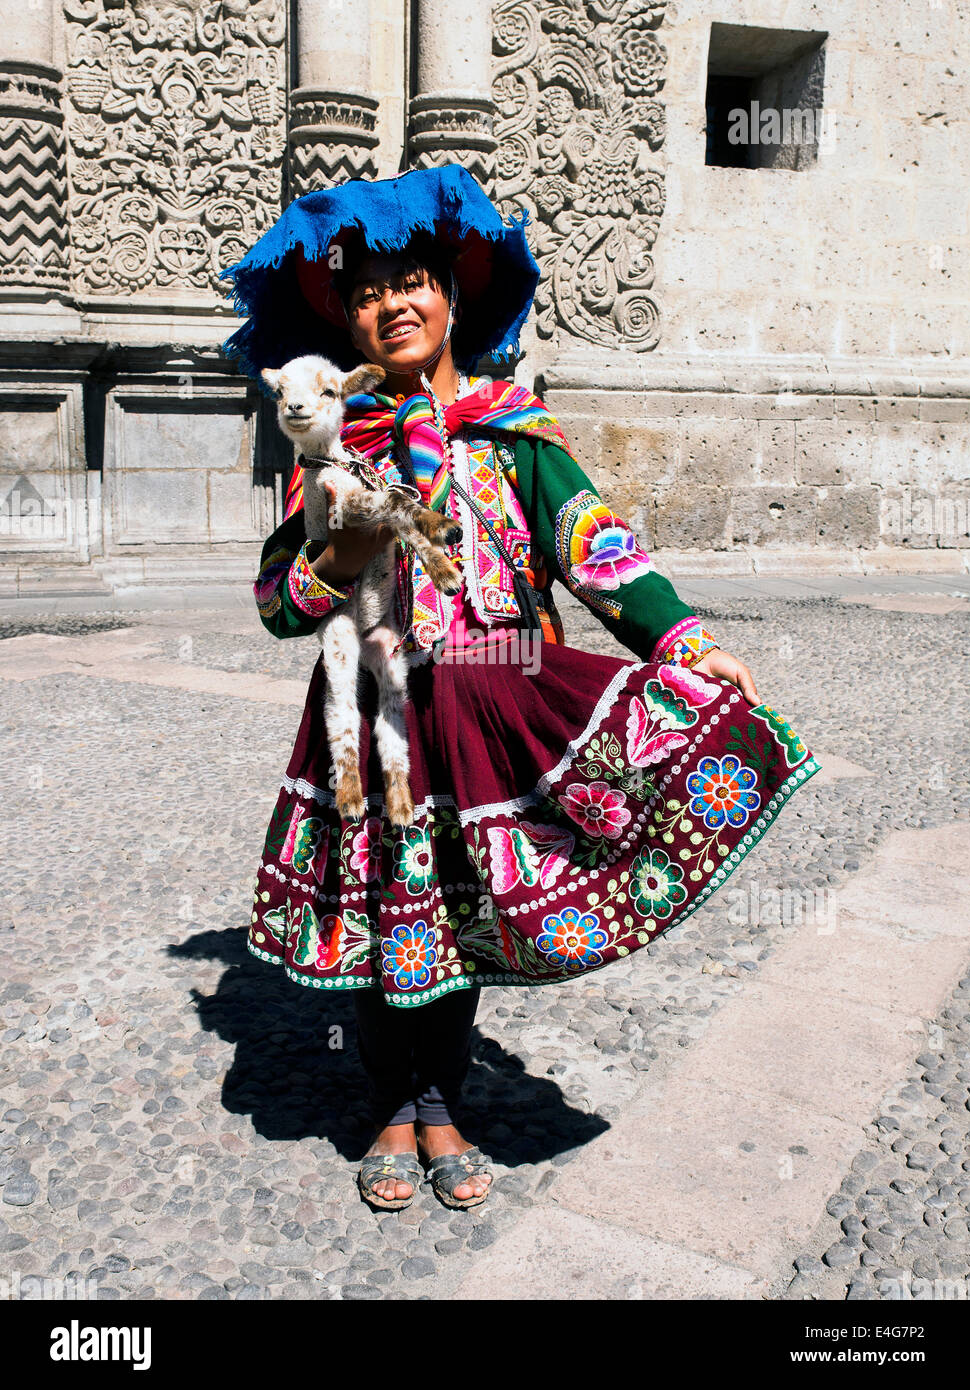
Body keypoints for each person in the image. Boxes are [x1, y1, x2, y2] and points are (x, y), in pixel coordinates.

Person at [220, 164, 820, 1212]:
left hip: (495, 703)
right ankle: (390, 1101)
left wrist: (683, 637)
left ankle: (440, 1097)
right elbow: (278, 601)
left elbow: (599, 551)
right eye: (366, 293)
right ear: (347, 321)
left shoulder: (516, 434)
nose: (390, 306)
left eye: (411, 282)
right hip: (376, 721)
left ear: (452, 298)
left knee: (454, 909)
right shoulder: (336, 448)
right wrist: (340, 553)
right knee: (382, 908)